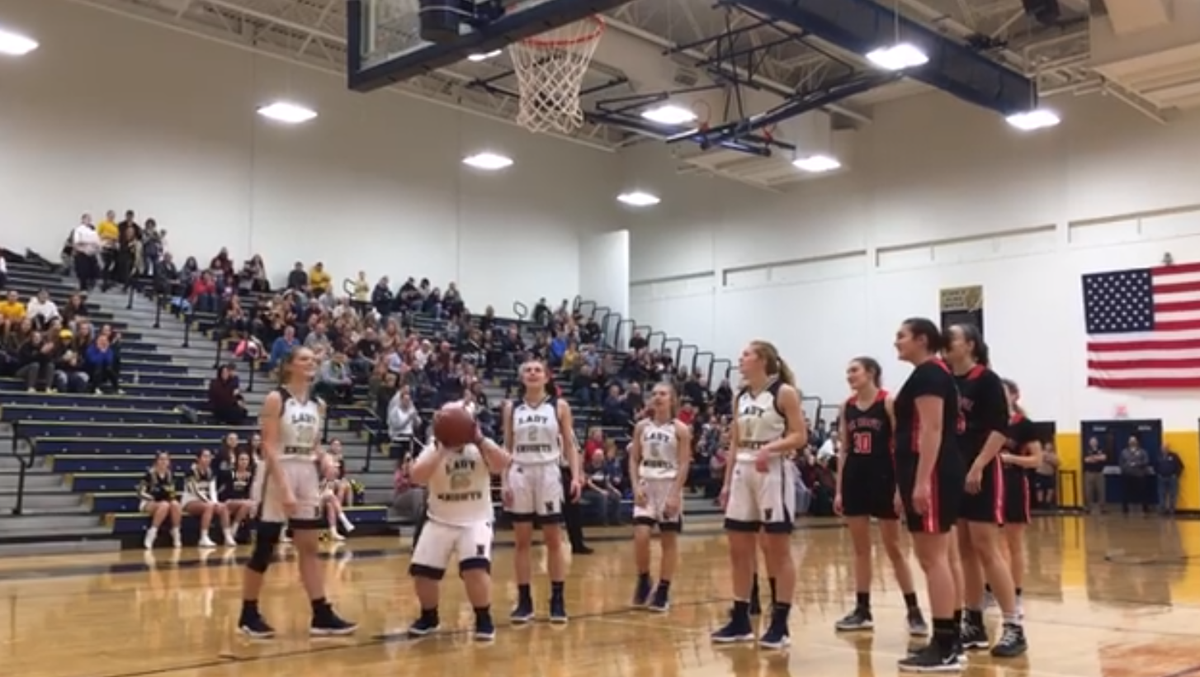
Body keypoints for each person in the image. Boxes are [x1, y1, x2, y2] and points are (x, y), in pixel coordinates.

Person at [237, 347, 356, 638]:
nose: (311, 363)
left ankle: (321, 614)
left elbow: (314, 444)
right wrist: (285, 488)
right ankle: (248, 613)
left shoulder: (317, 404)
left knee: (309, 546)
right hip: (278, 469)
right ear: (289, 366)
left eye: (314, 359)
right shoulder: (276, 398)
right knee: (265, 545)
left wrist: (325, 458)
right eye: (304, 359)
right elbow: (267, 445)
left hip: (305, 469)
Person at [711, 341, 807, 649]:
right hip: (742, 470)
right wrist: (726, 484)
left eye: (747, 354)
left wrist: (771, 447)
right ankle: (741, 619)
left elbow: (799, 436)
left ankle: (780, 623)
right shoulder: (740, 396)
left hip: (772, 471)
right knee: (738, 548)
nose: (741, 358)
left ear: (763, 359)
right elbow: (735, 443)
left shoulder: (783, 393)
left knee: (777, 550)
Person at [942, 324, 1026, 658]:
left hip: (982, 471)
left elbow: (999, 428)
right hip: (955, 472)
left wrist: (978, 465)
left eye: (953, 339)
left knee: (986, 547)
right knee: (963, 550)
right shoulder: (948, 381)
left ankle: (1013, 625)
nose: (946, 344)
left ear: (971, 345)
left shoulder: (987, 380)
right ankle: (973, 623)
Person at [833, 357, 927, 636]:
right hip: (854, 479)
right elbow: (845, 449)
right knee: (860, 549)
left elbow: (901, 448)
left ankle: (914, 610)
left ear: (871, 373)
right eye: (847, 371)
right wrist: (839, 489)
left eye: (854, 370)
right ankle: (863, 610)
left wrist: (901, 487)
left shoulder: (888, 402)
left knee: (894, 547)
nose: (849, 376)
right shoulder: (846, 407)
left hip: (884, 479)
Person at [891, 318, 965, 672]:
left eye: (901, 336)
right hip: (921, 472)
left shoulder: (930, 375)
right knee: (932, 558)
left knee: (934, 558)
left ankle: (946, 643)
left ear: (922, 339)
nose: (896, 342)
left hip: (932, 472)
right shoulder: (926, 374)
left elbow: (932, 429)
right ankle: (948, 640)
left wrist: (921, 482)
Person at [405, 403, 512, 641]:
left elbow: (503, 463)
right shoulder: (432, 448)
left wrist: (480, 439)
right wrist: (443, 448)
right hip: (439, 520)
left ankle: (484, 618)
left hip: (475, 520)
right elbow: (417, 477)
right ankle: (429, 617)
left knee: (475, 568)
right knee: (423, 573)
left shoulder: (482, 446)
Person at [502, 360, 581, 623]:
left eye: (538, 370)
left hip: (548, 471)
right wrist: (504, 480)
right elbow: (506, 446)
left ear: (547, 376)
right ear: (522, 377)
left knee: (553, 539)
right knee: (522, 541)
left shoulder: (559, 406)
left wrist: (577, 476)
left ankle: (557, 599)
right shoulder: (511, 408)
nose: (533, 373)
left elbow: (570, 444)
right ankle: (525, 602)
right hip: (520, 471)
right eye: (528, 370)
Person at [629, 382, 692, 612]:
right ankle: (644, 578)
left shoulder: (680, 429)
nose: (658, 397)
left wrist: (675, 494)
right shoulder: (641, 427)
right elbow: (634, 459)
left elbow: (684, 463)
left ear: (672, 399)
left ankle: (663, 589)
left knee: (668, 540)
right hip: (647, 483)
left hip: (668, 484)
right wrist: (635, 486)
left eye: (663, 394)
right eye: (654, 393)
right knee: (641, 536)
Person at [996, 379, 1042, 619]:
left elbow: (1037, 460)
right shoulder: (988, 422)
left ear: (1014, 395)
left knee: (1013, 543)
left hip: (1014, 485)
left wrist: (1011, 459)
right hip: (988, 486)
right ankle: (990, 591)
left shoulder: (1024, 425)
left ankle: (1016, 594)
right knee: (989, 544)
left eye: (1002, 392)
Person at [181, 449, 235, 548]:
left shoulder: (210, 472)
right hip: (190, 500)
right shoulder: (191, 472)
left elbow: (212, 490)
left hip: (206, 501)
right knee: (209, 507)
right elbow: (194, 491)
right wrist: (209, 502)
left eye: (209, 457)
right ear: (198, 458)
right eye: (205, 456)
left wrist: (215, 502)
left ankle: (228, 536)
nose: (207, 459)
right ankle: (203, 537)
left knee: (223, 507)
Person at [138, 451, 182, 550]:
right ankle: (152, 533)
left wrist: (171, 496)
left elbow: (172, 492)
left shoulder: (171, 475)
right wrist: (153, 498)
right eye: (161, 459)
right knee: (164, 505)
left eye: (166, 459)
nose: (163, 462)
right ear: (156, 461)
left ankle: (176, 532)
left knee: (175, 504)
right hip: (148, 502)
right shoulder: (149, 475)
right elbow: (140, 492)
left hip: (165, 502)